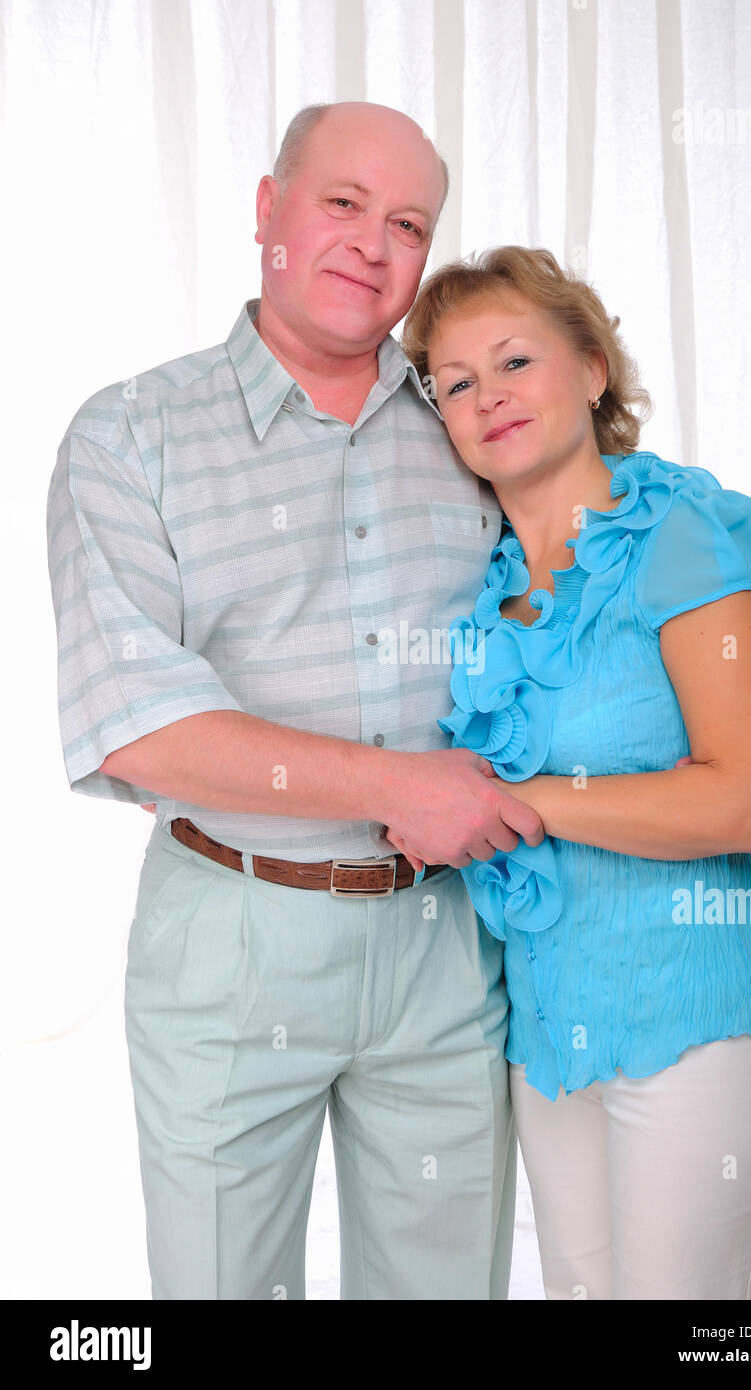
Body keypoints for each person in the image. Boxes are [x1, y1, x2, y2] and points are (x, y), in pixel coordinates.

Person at [45, 103, 546, 1301]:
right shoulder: (128, 436)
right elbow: (141, 726)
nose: (372, 245)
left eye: (407, 223)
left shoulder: (472, 423)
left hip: (444, 941)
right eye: (340, 204)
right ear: (267, 210)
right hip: (230, 935)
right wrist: (396, 784)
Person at [395, 244, 751, 1300]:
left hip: (691, 1019)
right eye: (454, 383)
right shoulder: (476, 587)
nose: (486, 397)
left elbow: (744, 797)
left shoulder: (677, 534)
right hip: (545, 1032)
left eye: (514, 361)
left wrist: (510, 801)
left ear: (590, 371)